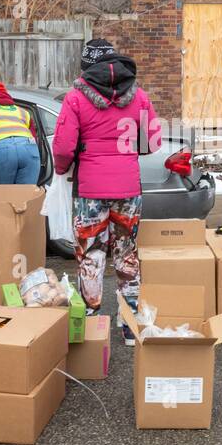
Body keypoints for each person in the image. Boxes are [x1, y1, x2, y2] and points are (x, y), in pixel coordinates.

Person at [53, 38, 161, 345]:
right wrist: (126, 154)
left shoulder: (75, 98)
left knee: (92, 253)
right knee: (126, 252)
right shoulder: (138, 96)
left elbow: (62, 147)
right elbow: (152, 141)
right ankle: (129, 326)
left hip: (90, 190)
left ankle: (90, 325)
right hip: (128, 189)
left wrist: (63, 170)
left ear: (87, 66)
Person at [0, 82, 40, 185]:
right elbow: (34, 137)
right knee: (26, 198)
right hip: (29, 149)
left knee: (3, 198)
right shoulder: (23, 111)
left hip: (1, 149)